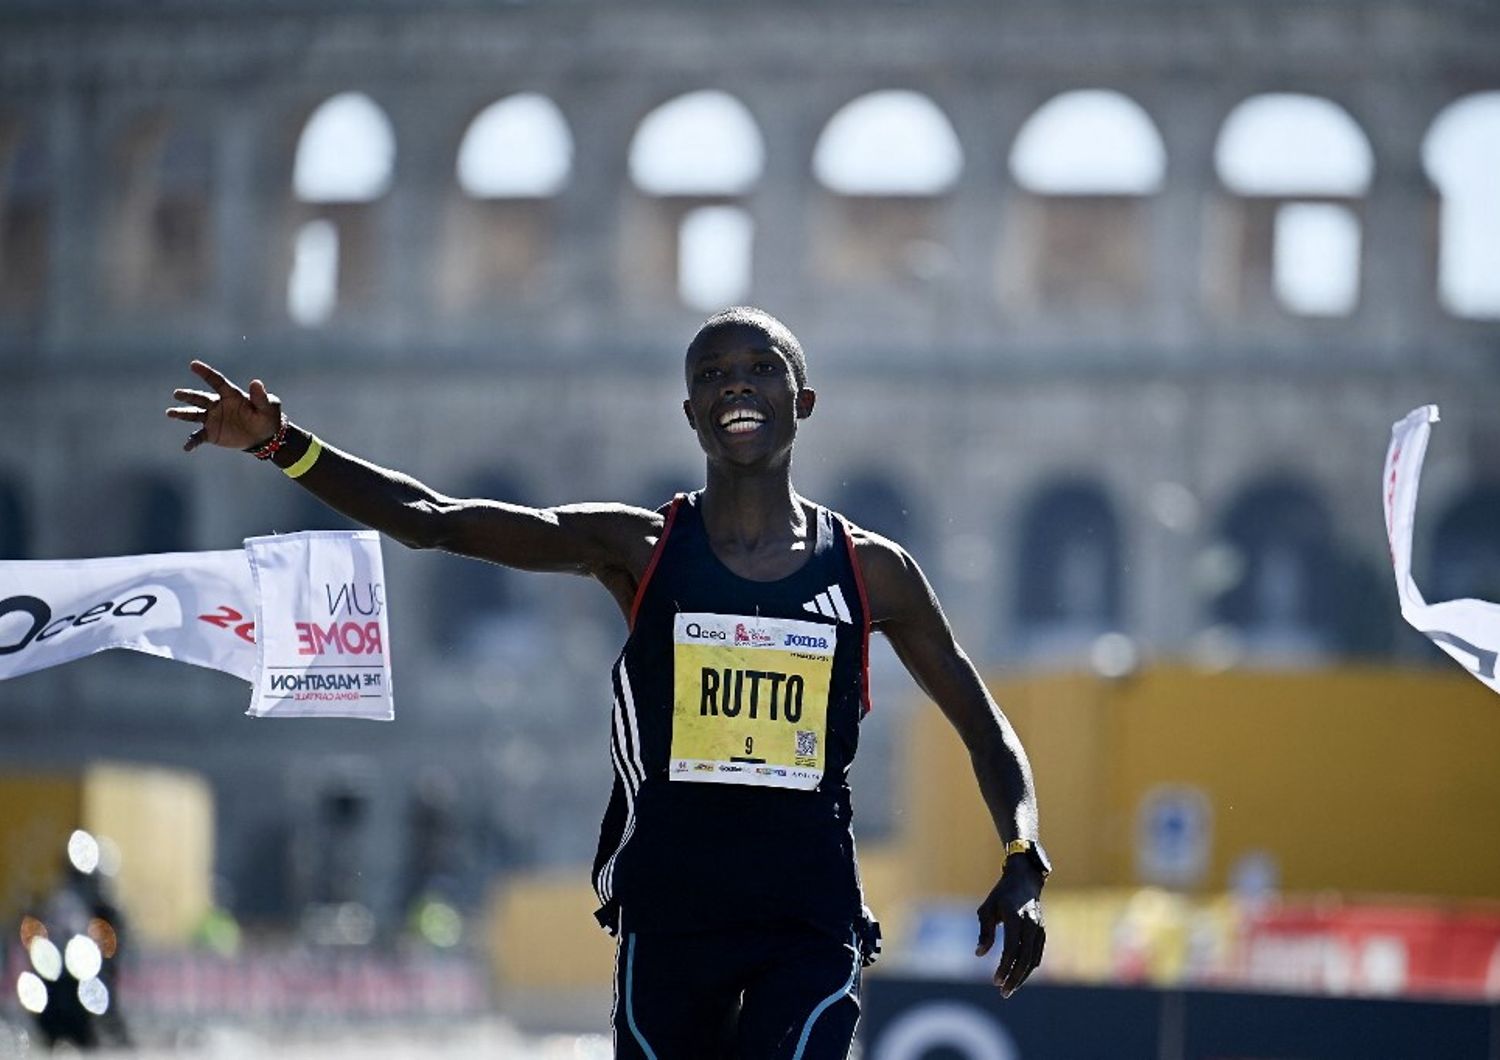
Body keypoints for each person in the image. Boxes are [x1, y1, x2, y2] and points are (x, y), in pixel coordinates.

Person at [168, 305, 1048, 1058]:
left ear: (802, 401)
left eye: (760, 369)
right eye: (713, 374)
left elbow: (983, 724)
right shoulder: (637, 548)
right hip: (669, 917)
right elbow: (431, 521)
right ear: (692, 411)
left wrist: (1020, 852)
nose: (736, 385)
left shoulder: (871, 572)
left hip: (807, 920)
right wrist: (281, 445)